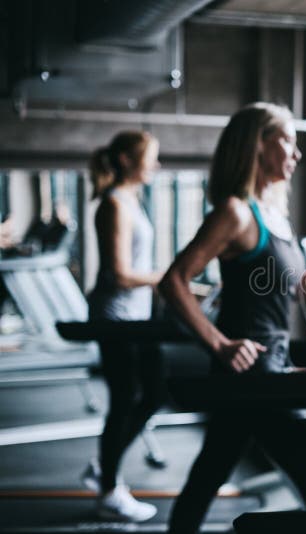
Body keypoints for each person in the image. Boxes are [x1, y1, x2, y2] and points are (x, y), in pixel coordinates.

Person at [159, 102, 306, 534]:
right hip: (252, 373)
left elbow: (299, 285)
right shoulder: (235, 213)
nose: (297, 153)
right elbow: (174, 281)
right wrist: (218, 343)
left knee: (209, 472)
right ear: (258, 144)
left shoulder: (274, 217)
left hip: (270, 367)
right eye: (287, 140)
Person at [83, 131, 165, 522]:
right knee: (125, 398)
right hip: (116, 317)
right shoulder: (114, 203)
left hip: (136, 318)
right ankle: (109, 491)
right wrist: (167, 278)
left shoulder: (131, 200)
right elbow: (119, 274)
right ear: (129, 160)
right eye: (151, 158)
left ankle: (104, 467)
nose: (157, 165)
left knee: (153, 392)